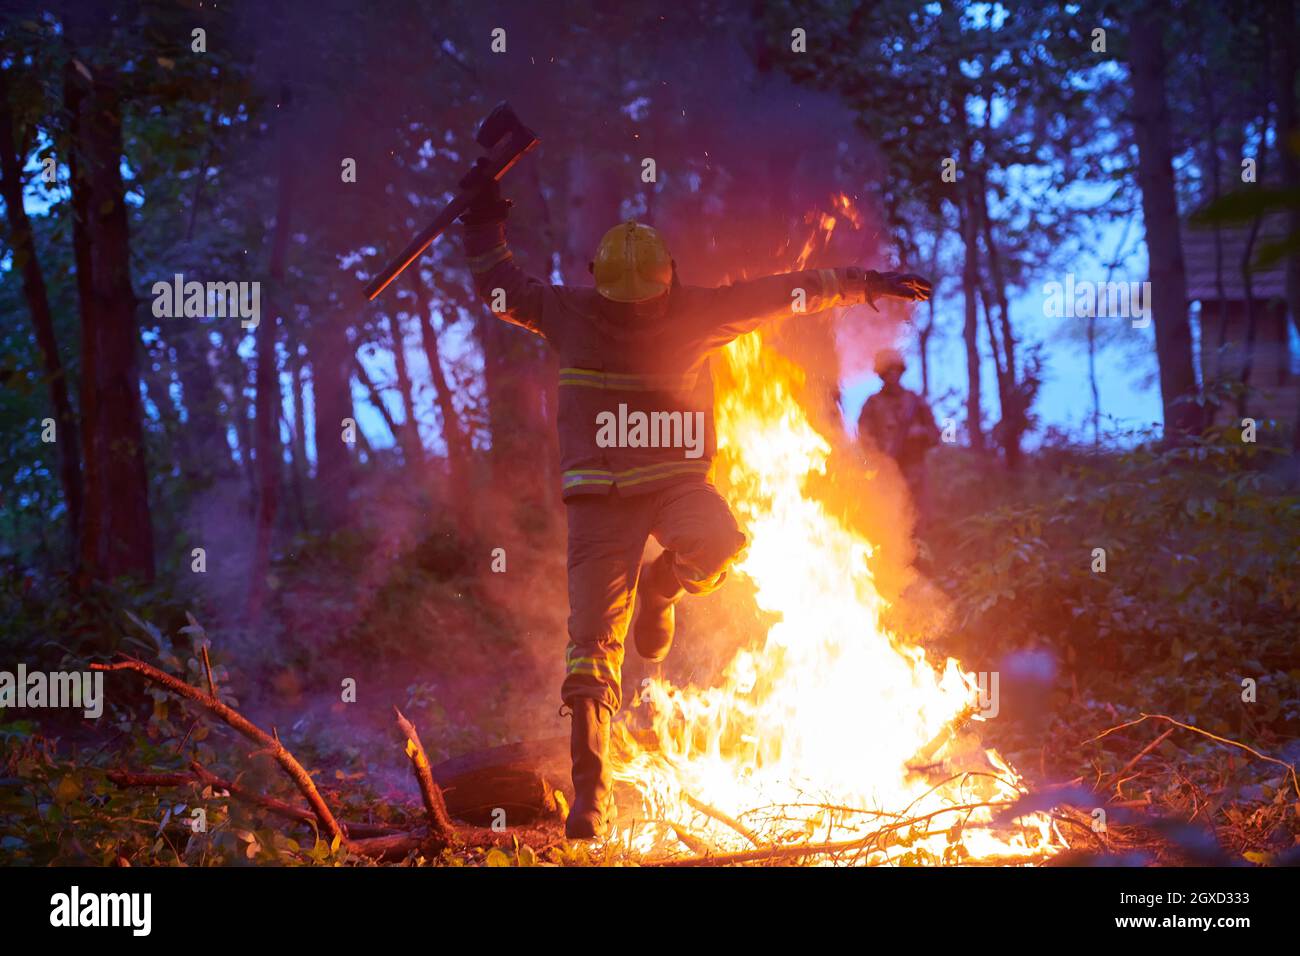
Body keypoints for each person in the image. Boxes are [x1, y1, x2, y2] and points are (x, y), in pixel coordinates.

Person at [460, 179, 931, 839]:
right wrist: (482, 218)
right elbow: (497, 285)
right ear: (600, 281)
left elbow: (787, 291)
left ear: (668, 284)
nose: (632, 313)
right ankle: (590, 793)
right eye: (622, 302)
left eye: (643, 302)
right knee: (591, 649)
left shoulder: (694, 311)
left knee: (720, 544)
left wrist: (865, 281)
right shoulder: (565, 311)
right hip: (599, 500)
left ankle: (660, 588)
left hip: (677, 483)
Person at [857, 348, 939, 519]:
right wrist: (878, 455)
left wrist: (920, 433)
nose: (892, 375)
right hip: (885, 472)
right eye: (887, 371)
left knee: (917, 522)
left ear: (901, 372)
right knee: (886, 521)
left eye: (895, 370)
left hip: (915, 473)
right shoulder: (872, 404)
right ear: (880, 374)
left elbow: (940, 433)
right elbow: (862, 438)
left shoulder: (915, 401)